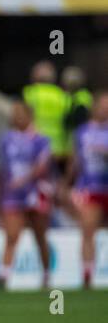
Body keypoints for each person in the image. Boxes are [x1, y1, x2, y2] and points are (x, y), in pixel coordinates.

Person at [0, 101, 53, 289]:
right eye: (14, 113)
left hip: (35, 193)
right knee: (11, 235)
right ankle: (3, 275)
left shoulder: (41, 139)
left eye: (20, 113)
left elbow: (42, 165)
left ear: (29, 116)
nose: (16, 117)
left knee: (40, 236)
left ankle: (46, 274)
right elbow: (1, 168)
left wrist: (24, 180)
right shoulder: (5, 140)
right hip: (12, 194)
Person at [67, 90, 108, 290]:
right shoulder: (81, 132)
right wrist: (68, 184)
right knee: (87, 230)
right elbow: (75, 160)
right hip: (90, 187)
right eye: (103, 106)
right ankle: (87, 274)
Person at [24, 61, 70, 171]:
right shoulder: (62, 95)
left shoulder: (30, 93)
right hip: (59, 148)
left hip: (36, 146)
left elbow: (23, 118)